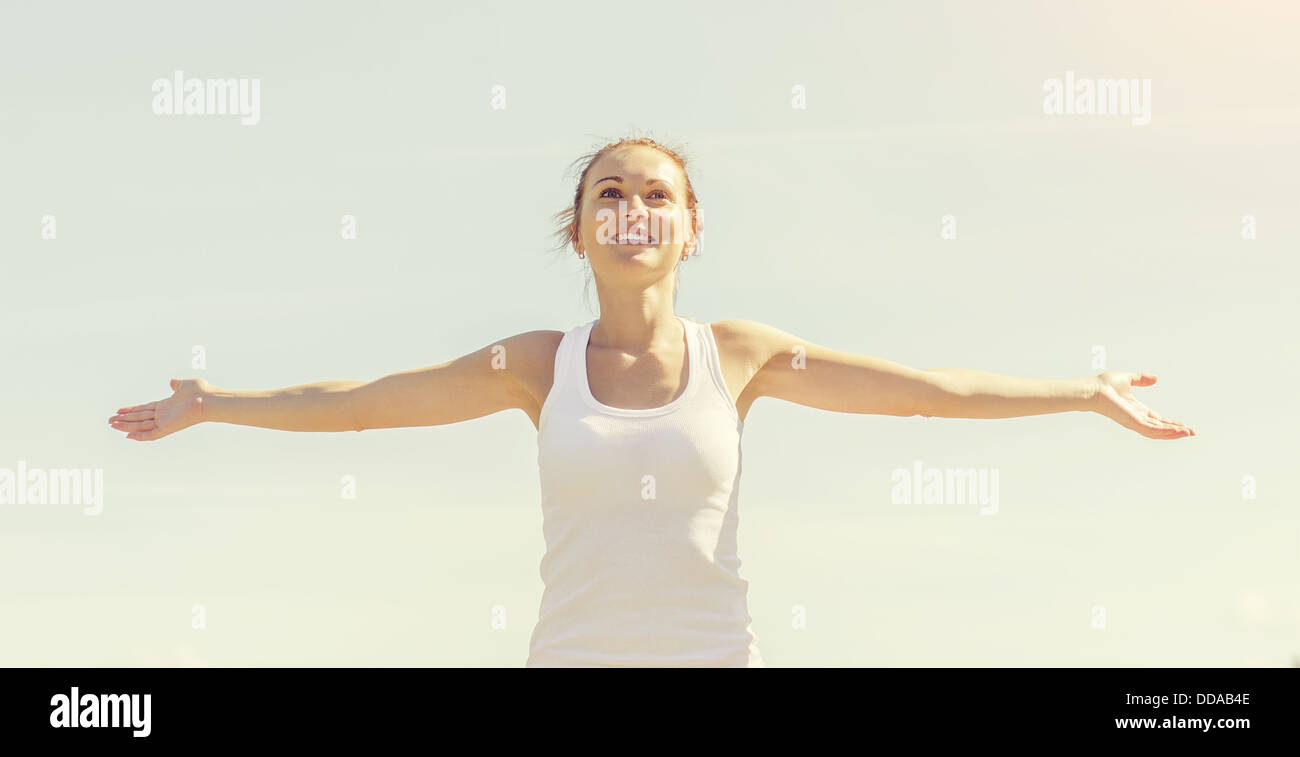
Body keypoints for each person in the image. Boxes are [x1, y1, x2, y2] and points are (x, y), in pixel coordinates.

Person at [108, 135, 1197, 667]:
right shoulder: (536, 362)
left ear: (691, 227)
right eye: (609, 194)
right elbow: (364, 403)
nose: (633, 208)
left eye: (656, 193)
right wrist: (215, 399)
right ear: (580, 230)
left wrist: (1081, 390)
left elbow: (930, 393)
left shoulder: (744, 353)